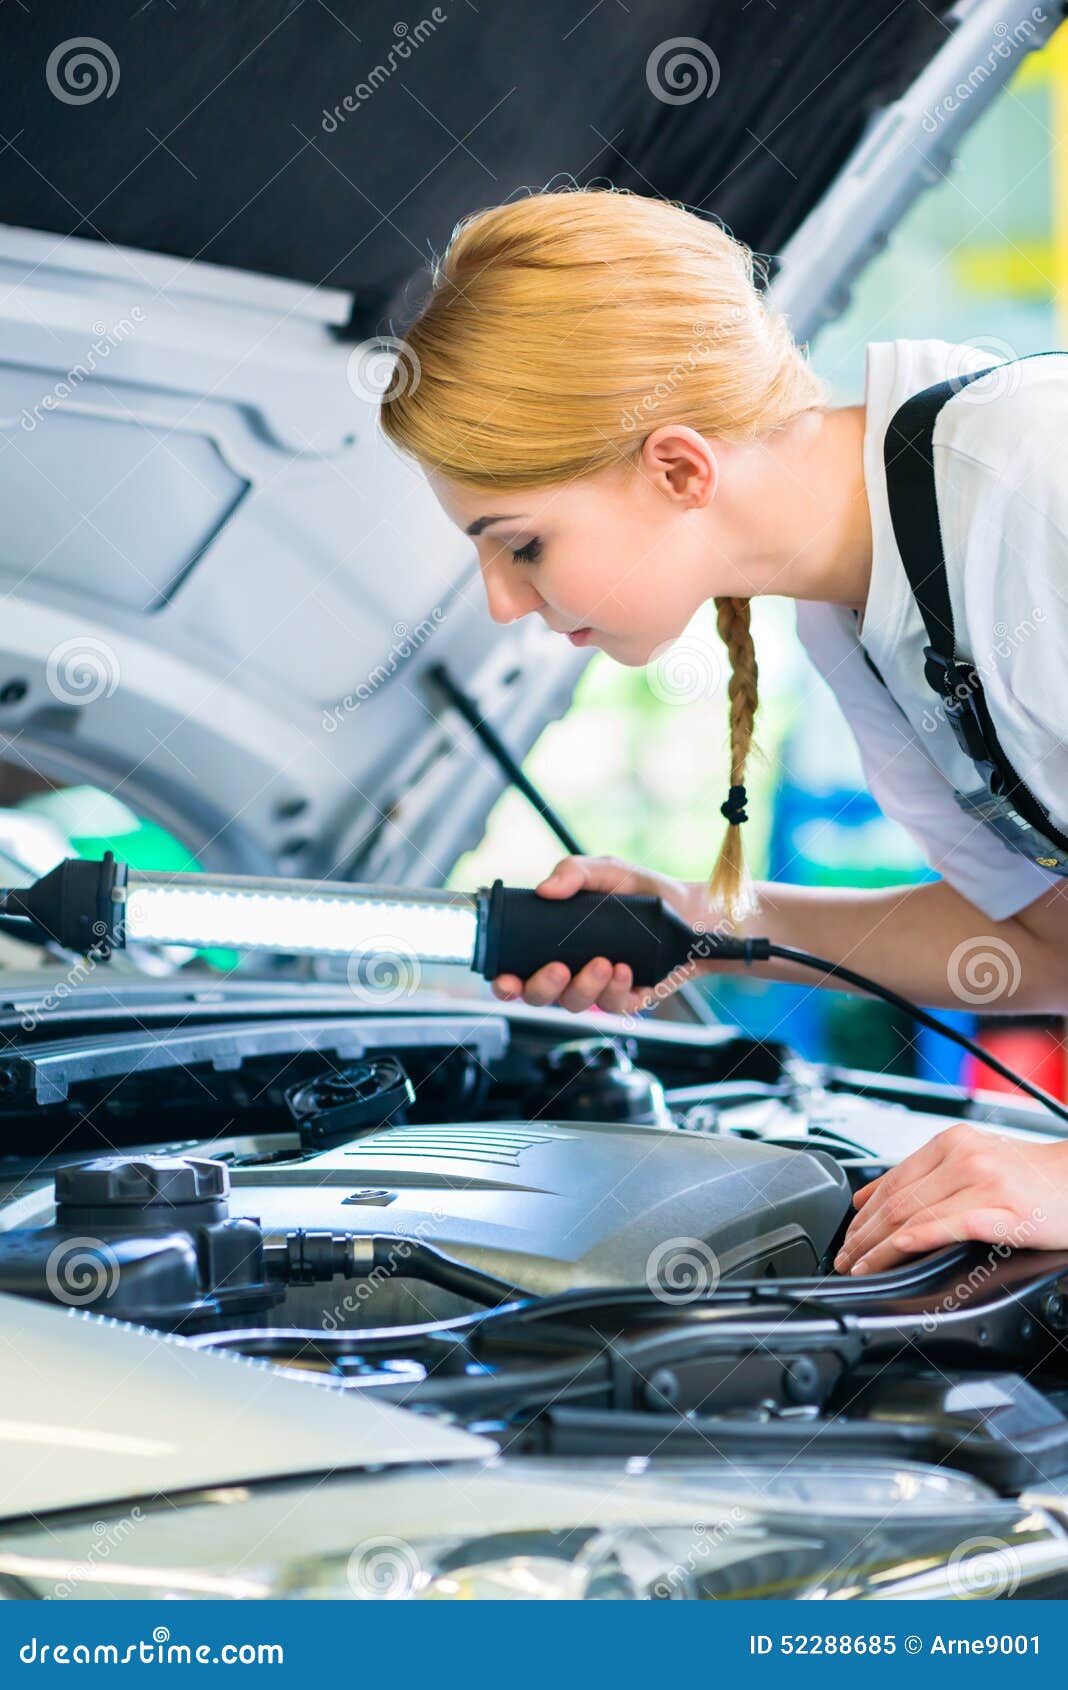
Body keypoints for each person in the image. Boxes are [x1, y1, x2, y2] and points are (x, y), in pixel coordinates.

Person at [379, 187, 1068, 1274]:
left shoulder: (1029, 481)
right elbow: (1040, 948)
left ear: (679, 469)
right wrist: (702, 924)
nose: (504, 601)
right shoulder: (861, 613)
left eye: (521, 544)